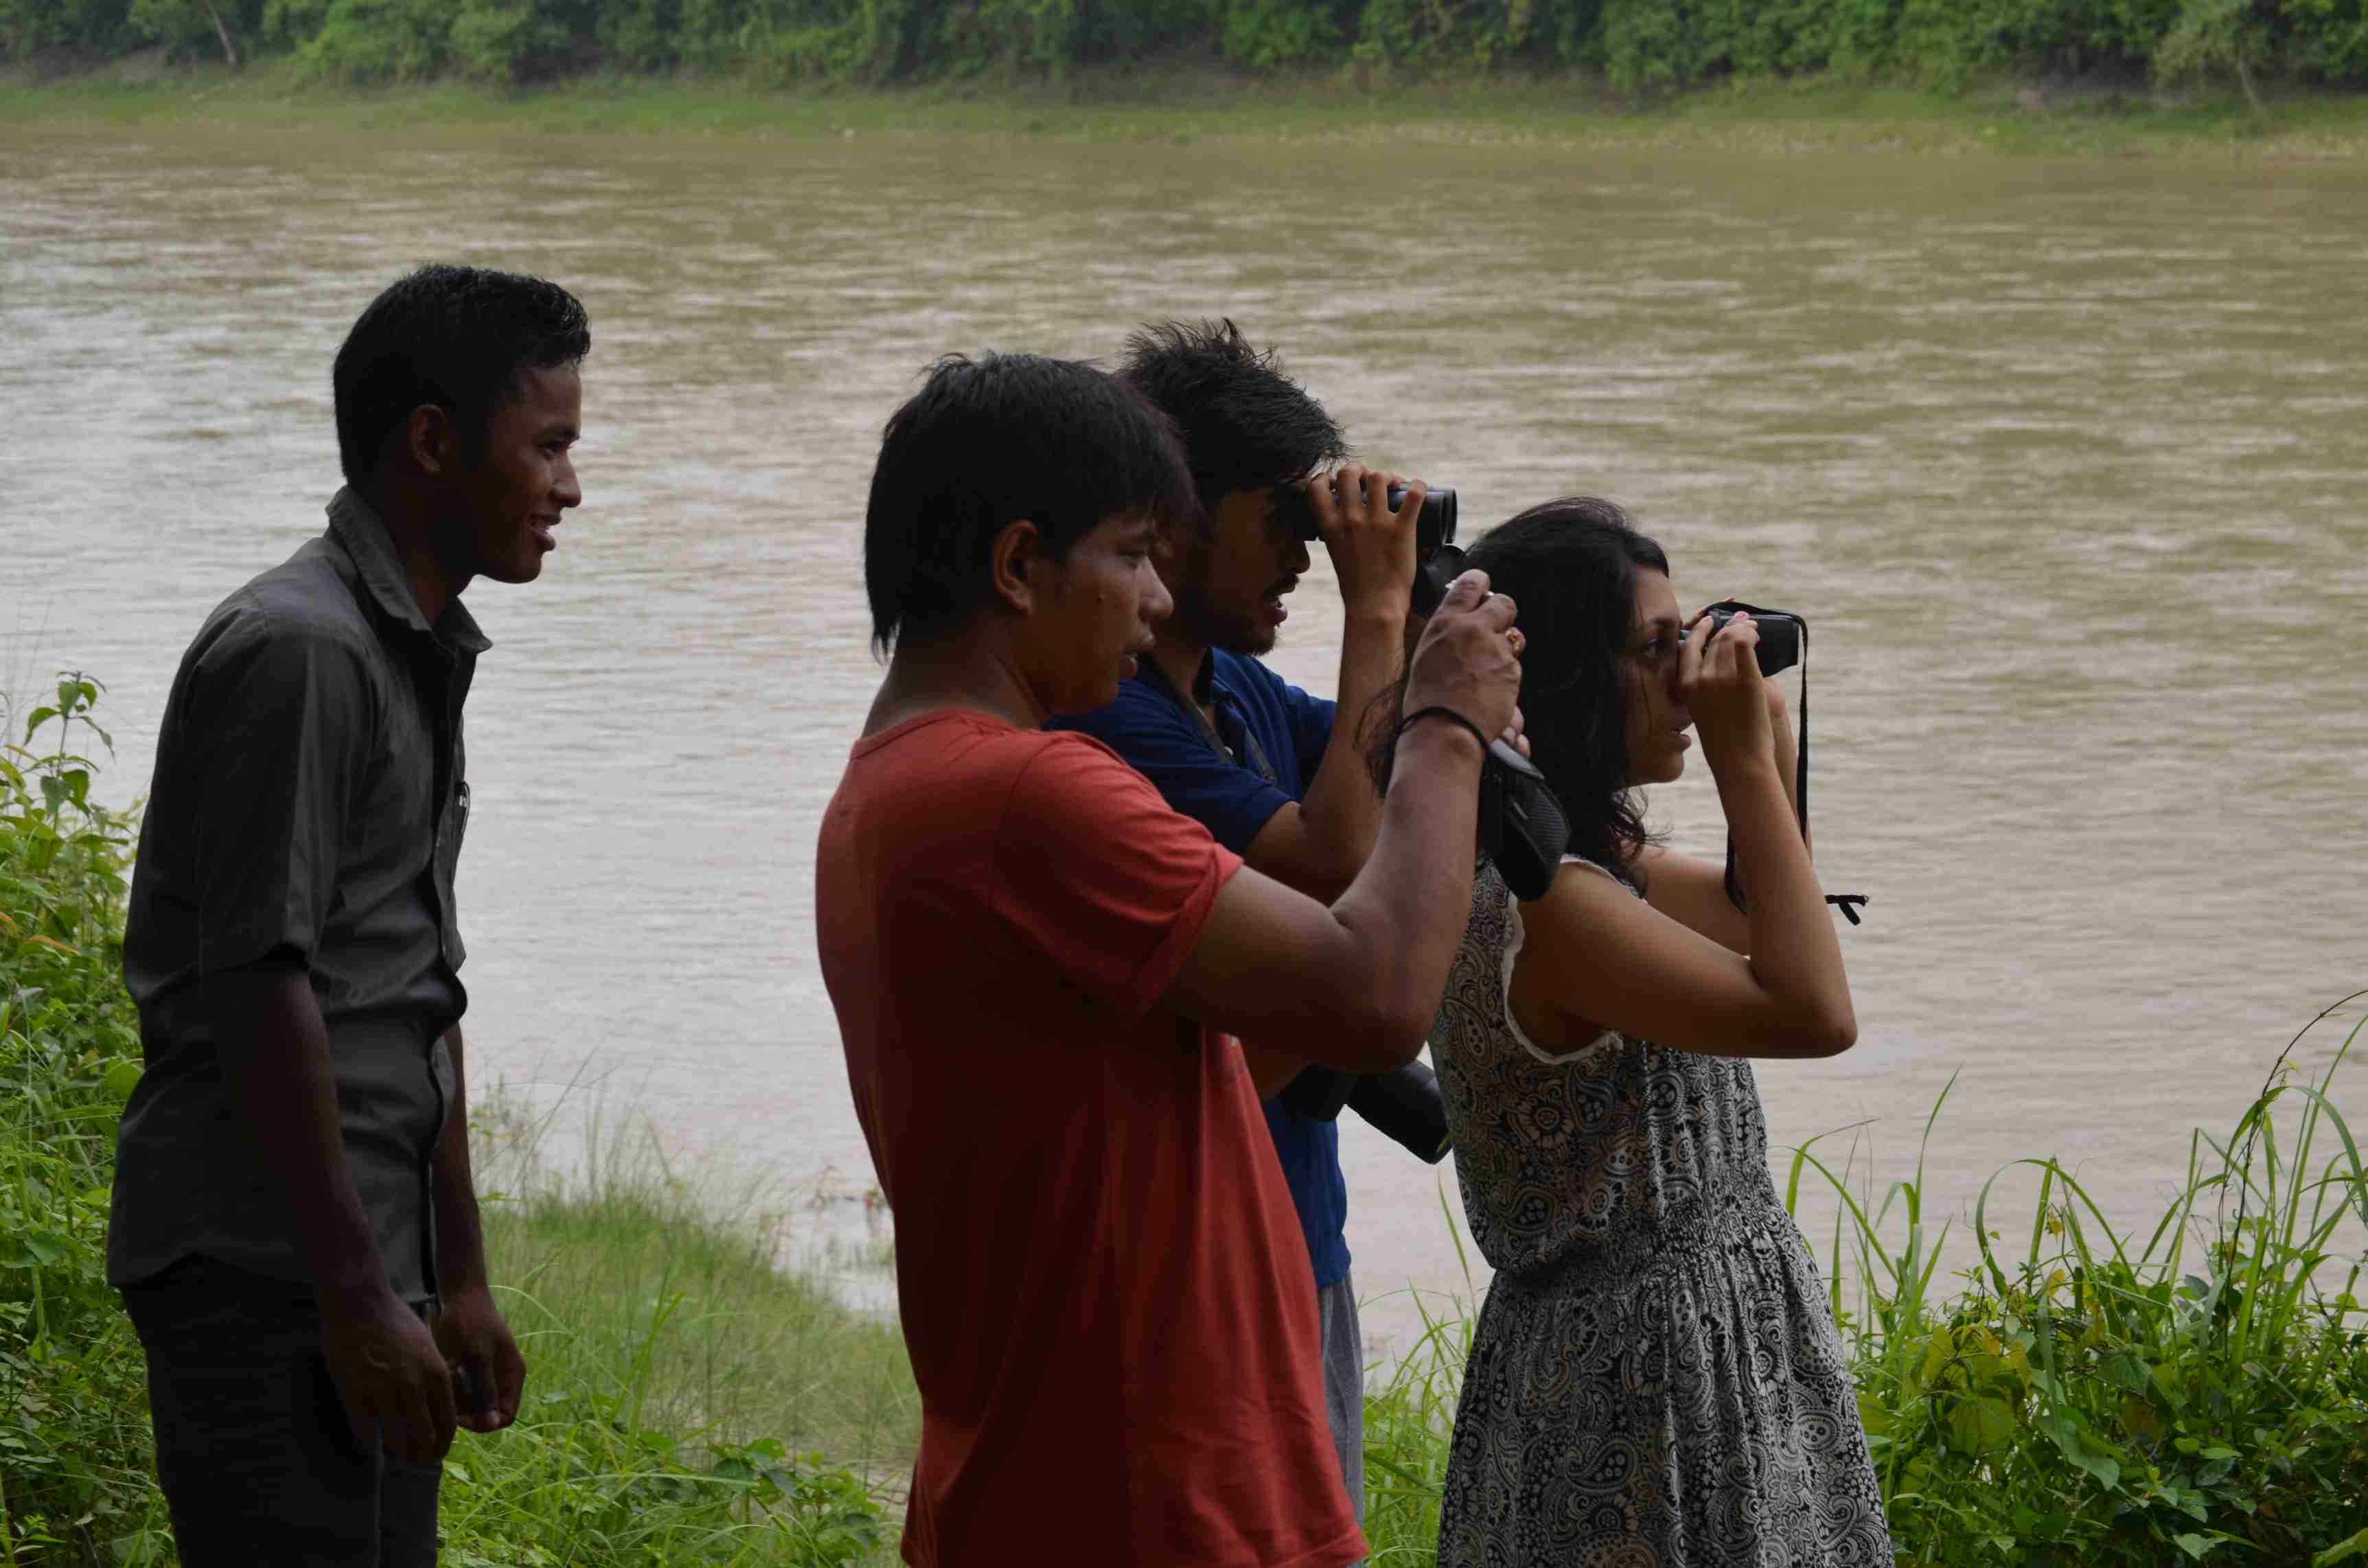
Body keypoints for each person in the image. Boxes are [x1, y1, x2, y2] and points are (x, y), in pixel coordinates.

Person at [814, 351, 1524, 1568]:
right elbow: (1374, 995)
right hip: (1146, 1493)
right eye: (1135, 553)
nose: (1156, 600)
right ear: (1019, 565)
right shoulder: (1024, 793)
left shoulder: (901, 783)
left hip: (1070, 1468)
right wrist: (1446, 721)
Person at [108, 264, 588, 1567]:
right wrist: (357, 1295)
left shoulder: (409, 651)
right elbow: (262, 984)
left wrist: (458, 1276)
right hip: (263, 1274)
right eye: (546, 445)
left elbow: (413, 989)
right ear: (431, 443)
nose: (570, 488)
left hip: (359, 1270)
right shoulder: (303, 651)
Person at [1405, 498, 1894, 1565]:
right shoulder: (1554, 908)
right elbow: (1812, 1010)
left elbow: (1756, 918)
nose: (1683, 680)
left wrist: (1763, 741)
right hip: (1646, 1384)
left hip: (1671, 1349)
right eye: (1653, 650)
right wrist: (1744, 769)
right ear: (1570, 676)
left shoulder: (1573, 870)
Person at [1052, 318, 1441, 1522]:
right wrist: (1378, 616)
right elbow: (1334, 859)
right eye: (1281, 525)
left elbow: (1408, 773)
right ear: (1168, 519)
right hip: (1184, 1277)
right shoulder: (1108, 726)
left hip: (1290, 1240)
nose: (1303, 559)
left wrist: (1457, 633)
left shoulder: (1230, 689)